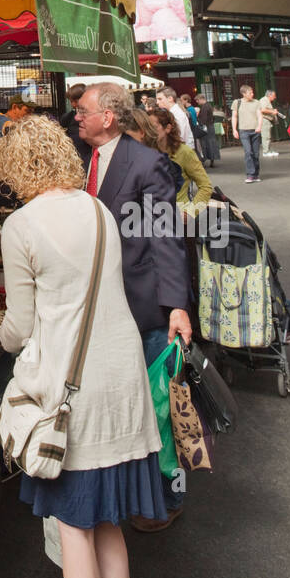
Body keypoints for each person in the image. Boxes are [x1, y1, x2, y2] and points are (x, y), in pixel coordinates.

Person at [0, 117, 165, 578]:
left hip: (73, 395)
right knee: (108, 522)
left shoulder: (21, 225)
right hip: (123, 381)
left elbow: (20, 327)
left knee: (73, 529)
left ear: (16, 167)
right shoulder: (97, 210)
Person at [75, 83, 191, 532]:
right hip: (98, 306)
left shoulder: (148, 164)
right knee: (122, 404)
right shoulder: (81, 161)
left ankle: (168, 494)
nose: (77, 117)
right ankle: (128, 492)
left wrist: (176, 306)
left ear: (108, 117)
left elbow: (165, 237)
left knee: (158, 406)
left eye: (84, 111)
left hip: (142, 306)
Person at [151, 108, 214, 214]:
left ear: (168, 128)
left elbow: (205, 187)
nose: (149, 131)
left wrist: (190, 213)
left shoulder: (184, 152)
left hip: (177, 216)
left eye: (154, 127)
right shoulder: (144, 152)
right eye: (147, 127)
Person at [232, 85, 262, 182]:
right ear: (244, 94)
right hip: (243, 131)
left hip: (255, 130)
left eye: (252, 92)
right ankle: (250, 174)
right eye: (250, 93)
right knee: (248, 152)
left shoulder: (257, 102)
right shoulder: (237, 102)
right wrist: (234, 129)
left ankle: (256, 174)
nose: (252, 94)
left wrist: (259, 126)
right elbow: (234, 116)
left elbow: (259, 115)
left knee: (256, 154)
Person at [59, 83, 90, 165]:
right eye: (71, 101)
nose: (73, 105)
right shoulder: (67, 118)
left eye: (76, 101)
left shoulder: (94, 117)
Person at [194, 94, 220, 168]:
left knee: (205, 144)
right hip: (210, 127)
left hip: (206, 128)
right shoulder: (208, 105)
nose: (197, 102)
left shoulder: (205, 107)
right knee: (211, 143)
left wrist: (198, 122)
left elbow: (204, 119)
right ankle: (212, 160)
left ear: (201, 99)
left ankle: (204, 161)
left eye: (197, 100)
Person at [258, 89, 282, 158]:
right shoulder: (264, 100)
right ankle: (266, 152)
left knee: (269, 137)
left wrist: (272, 110)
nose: (275, 97)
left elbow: (266, 109)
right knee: (266, 136)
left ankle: (269, 150)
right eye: (274, 96)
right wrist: (272, 112)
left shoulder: (267, 100)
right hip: (265, 120)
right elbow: (262, 110)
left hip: (268, 120)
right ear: (270, 95)